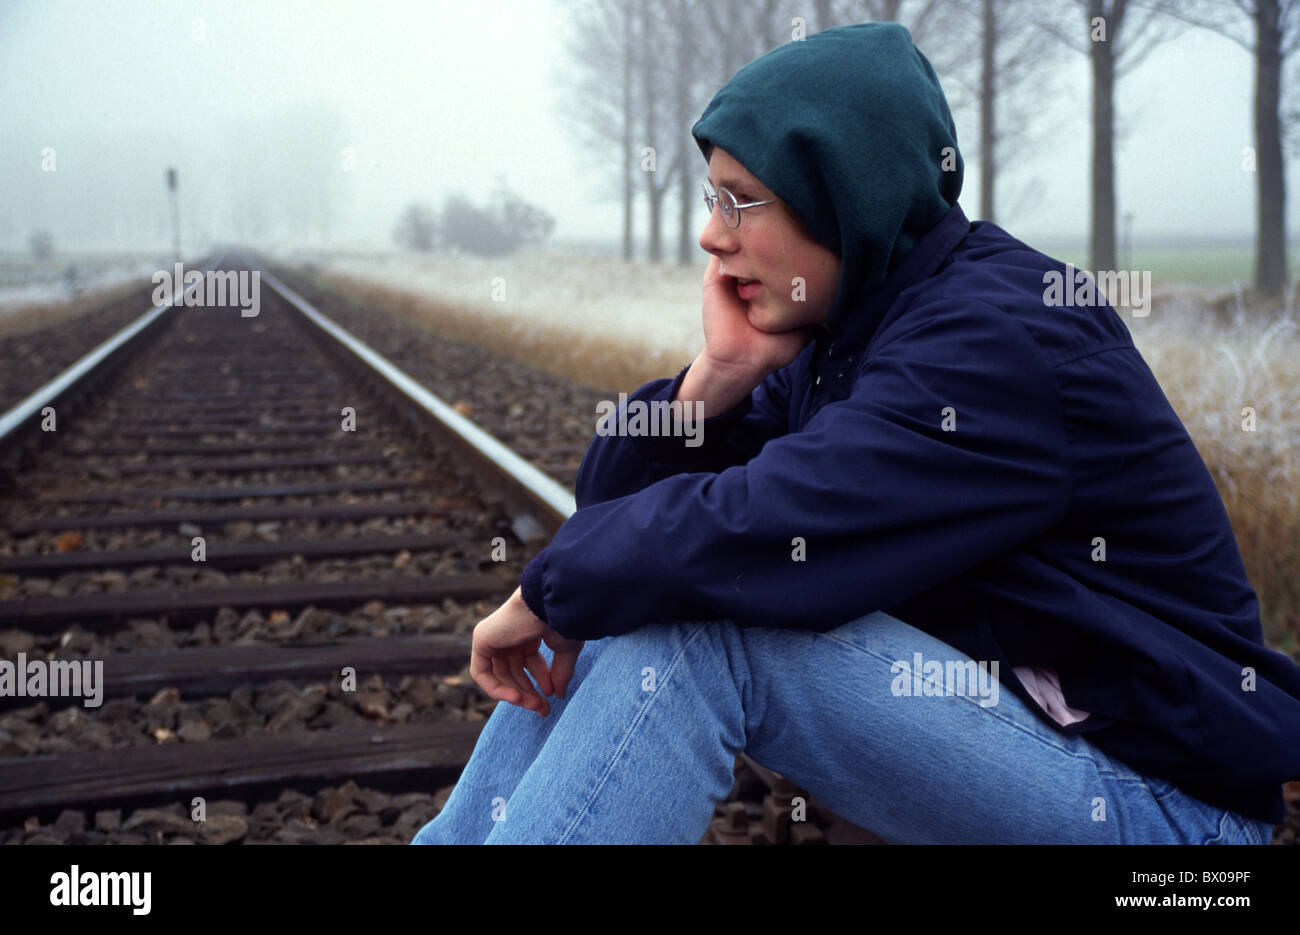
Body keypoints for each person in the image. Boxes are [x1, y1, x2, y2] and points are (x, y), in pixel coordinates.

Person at [412, 22, 1300, 845]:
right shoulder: (850, 334)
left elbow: (757, 525)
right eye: (712, 197)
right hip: (1051, 745)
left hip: (1173, 817)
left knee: (702, 624)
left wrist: (547, 591)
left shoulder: (996, 334)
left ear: (845, 200)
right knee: (641, 579)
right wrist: (714, 380)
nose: (708, 234)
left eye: (743, 201)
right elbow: (616, 505)